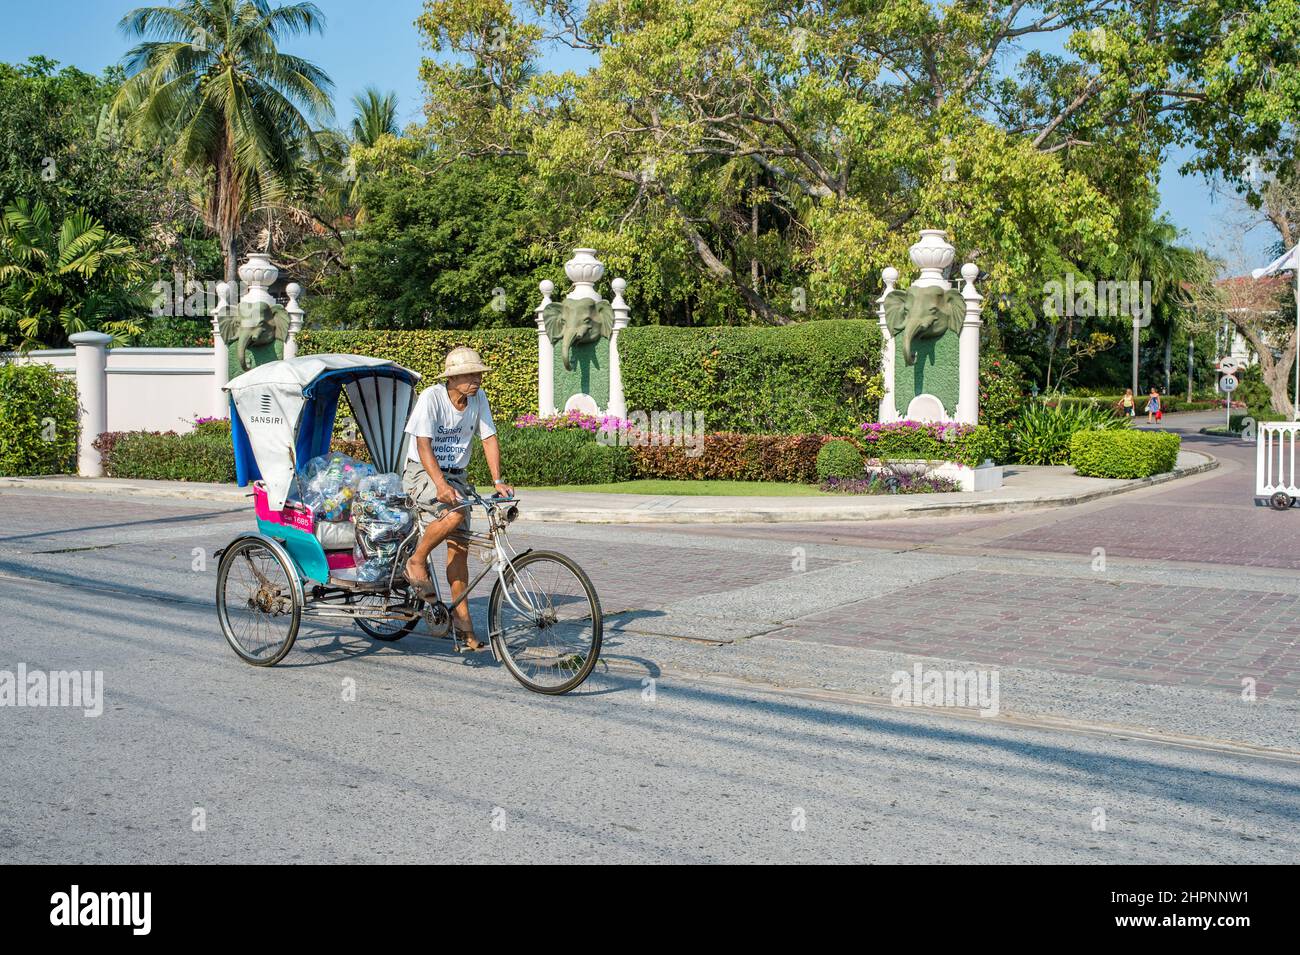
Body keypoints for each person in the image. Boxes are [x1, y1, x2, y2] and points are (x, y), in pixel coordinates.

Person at [402, 346, 514, 652]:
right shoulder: (431, 398)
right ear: (452, 378)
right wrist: (438, 483)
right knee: (451, 516)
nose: (477, 379)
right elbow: (422, 444)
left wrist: (498, 480)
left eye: (479, 374)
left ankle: (464, 627)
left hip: (456, 477)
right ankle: (416, 560)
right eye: (470, 374)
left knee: (460, 548)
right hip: (422, 474)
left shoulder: (478, 399)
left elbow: (488, 438)